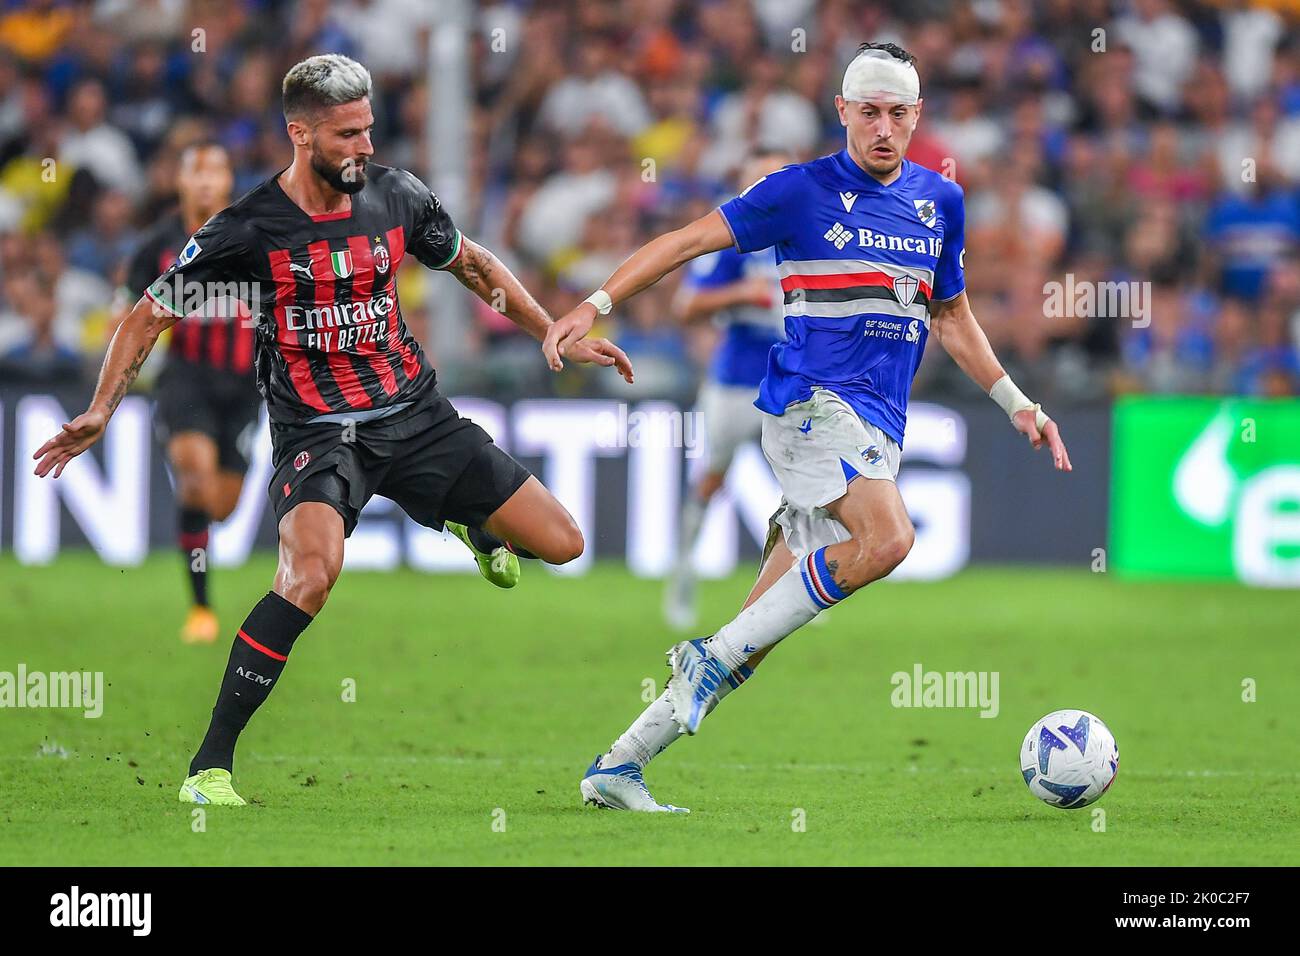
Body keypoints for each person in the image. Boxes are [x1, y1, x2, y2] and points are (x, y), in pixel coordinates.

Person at [33, 54, 632, 807]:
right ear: (301, 134)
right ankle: (209, 767)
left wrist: (554, 330)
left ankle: (465, 521)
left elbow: (474, 267)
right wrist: (101, 409)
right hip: (318, 433)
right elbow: (150, 312)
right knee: (310, 577)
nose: (367, 146)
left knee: (564, 543)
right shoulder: (250, 229)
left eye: (370, 129)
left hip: (416, 417)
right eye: (349, 133)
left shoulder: (396, 197)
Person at [543, 43, 1073, 813]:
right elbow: (686, 241)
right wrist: (594, 303)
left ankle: (619, 765)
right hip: (807, 405)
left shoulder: (940, 203)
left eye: (898, 113)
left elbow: (951, 315)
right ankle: (706, 657)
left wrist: (1018, 404)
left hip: (876, 424)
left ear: (917, 116)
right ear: (843, 112)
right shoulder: (796, 191)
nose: (883, 128)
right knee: (889, 540)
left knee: (753, 636)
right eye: (869, 112)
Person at [663, 151, 788, 631]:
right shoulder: (733, 232)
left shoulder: (811, 226)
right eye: (761, 175)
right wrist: (742, 295)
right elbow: (687, 304)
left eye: (779, 173)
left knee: (805, 488)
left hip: (794, 378)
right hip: (738, 376)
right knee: (713, 477)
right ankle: (682, 574)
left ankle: (795, 589)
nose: (770, 183)